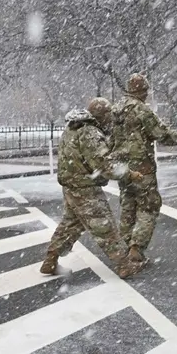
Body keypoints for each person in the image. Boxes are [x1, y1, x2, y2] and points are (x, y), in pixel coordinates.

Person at [40, 101, 145, 279]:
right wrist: (130, 174)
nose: (110, 119)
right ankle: (124, 264)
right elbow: (104, 163)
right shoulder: (90, 132)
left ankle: (50, 260)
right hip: (86, 188)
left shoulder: (72, 128)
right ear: (101, 115)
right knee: (104, 226)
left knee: (70, 225)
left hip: (71, 186)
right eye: (108, 115)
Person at [112, 73, 177, 264]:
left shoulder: (116, 109)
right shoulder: (141, 110)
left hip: (122, 167)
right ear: (142, 90)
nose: (146, 94)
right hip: (142, 167)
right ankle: (136, 248)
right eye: (145, 90)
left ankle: (124, 247)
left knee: (128, 207)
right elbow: (161, 134)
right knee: (149, 207)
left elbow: (109, 138)